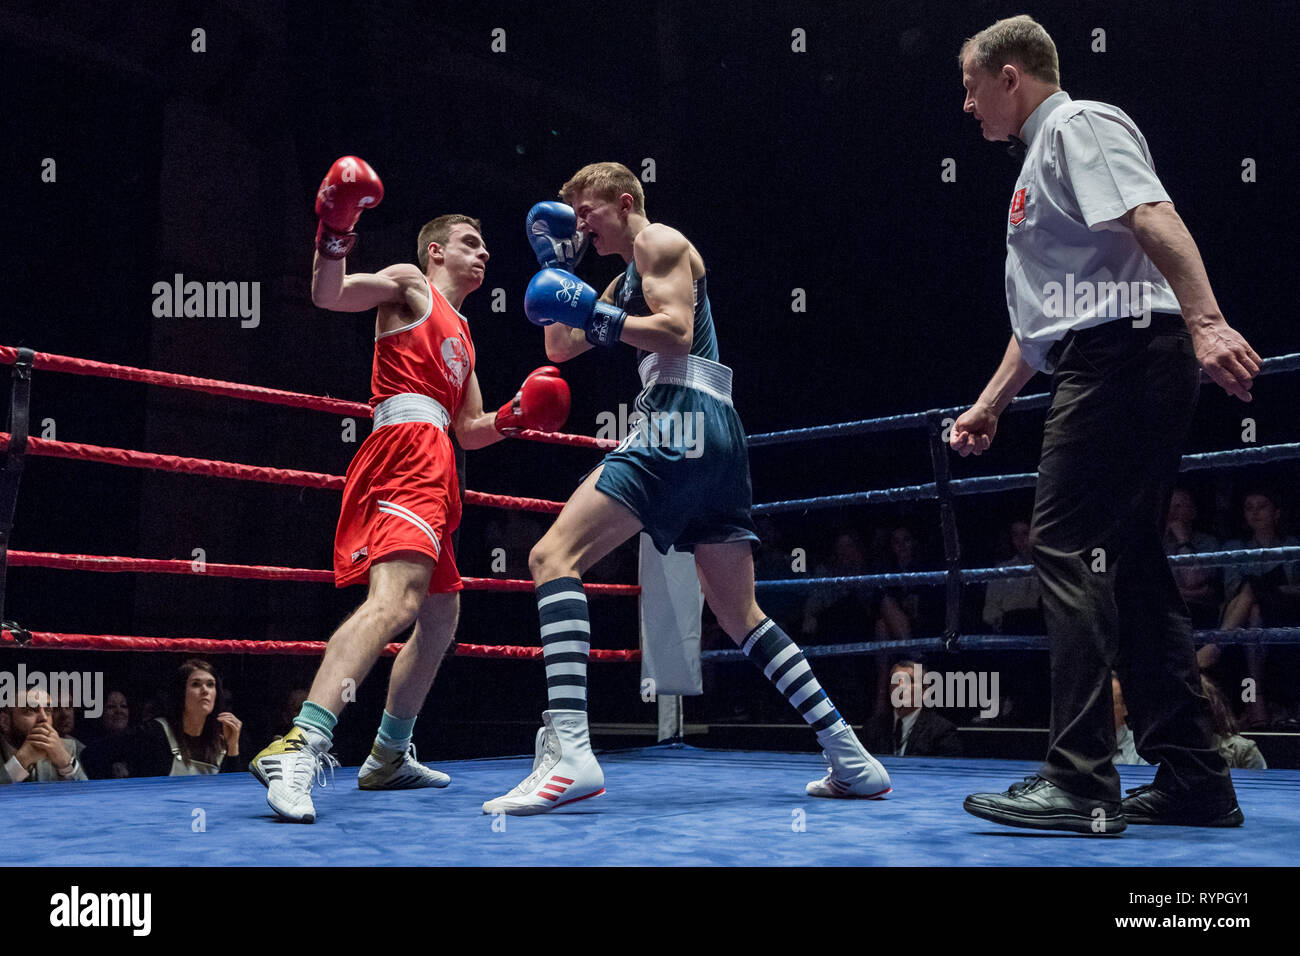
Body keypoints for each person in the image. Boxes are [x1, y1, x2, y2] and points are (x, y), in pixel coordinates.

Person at [482, 163, 890, 815]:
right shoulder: (623, 274)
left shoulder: (660, 241)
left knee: (549, 558)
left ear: (624, 201)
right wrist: (555, 267)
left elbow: (673, 330)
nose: (580, 224)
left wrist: (599, 314)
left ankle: (572, 753)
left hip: (681, 415)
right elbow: (559, 345)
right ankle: (851, 757)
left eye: (587, 211)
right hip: (717, 433)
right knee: (738, 614)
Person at [950, 16, 1258, 833]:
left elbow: (1153, 214)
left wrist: (1207, 321)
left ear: (1010, 75)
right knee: (1131, 569)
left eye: (973, 85)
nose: (968, 104)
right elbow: (1048, 318)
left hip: (1125, 357)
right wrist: (993, 402)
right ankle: (1194, 774)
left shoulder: (1076, 125)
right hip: (1106, 355)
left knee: (1062, 546)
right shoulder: (1035, 165)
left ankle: (1082, 778)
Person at [251, 157, 570, 823]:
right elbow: (328, 294)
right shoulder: (407, 285)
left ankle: (388, 754)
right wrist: (336, 226)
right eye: (470, 242)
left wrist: (518, 416)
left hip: (440, 464)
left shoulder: (465, 333)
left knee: (440, 617)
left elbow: (473, 429)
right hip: (404, 454)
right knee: (393, 604)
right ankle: (300, 744)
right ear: (436, 251)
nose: (484, 254)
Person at [84, 659, 243, 777]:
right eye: (196, 684)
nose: (205, 690)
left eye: (210, 684)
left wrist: (233, 747)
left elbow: (230, 793)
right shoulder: (154, 733)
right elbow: (92, 754)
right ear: (180, 693)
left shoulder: (220, 737)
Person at [863, 661, 962, 757]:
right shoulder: (872, 728)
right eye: (896, 681)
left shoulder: (942, 730)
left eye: (909, 681)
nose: (900, 686)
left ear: (924, 689)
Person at [0, 687, 88, 784]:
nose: (44, 718)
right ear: (5, 721)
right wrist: (20, 762)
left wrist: (65, 763)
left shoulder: (66, 748)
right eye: (31, 710)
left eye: (48, 710)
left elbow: (87, 794)